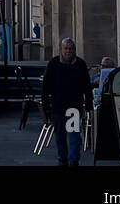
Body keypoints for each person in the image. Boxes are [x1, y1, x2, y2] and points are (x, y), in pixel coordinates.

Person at [41, 37, 95, 166]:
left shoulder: (80, 64)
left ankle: (73, 160)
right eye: (66, 48)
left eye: (71, 49)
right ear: (61, 49)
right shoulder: (53, 63)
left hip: (73, 107)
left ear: (75, 50)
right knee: (60, 136)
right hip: (58, 106)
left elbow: (86, 86)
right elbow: (45, 87)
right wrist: (46, 107)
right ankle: (62, 159)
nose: (68, 51)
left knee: (74, 136)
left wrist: (88, 103)